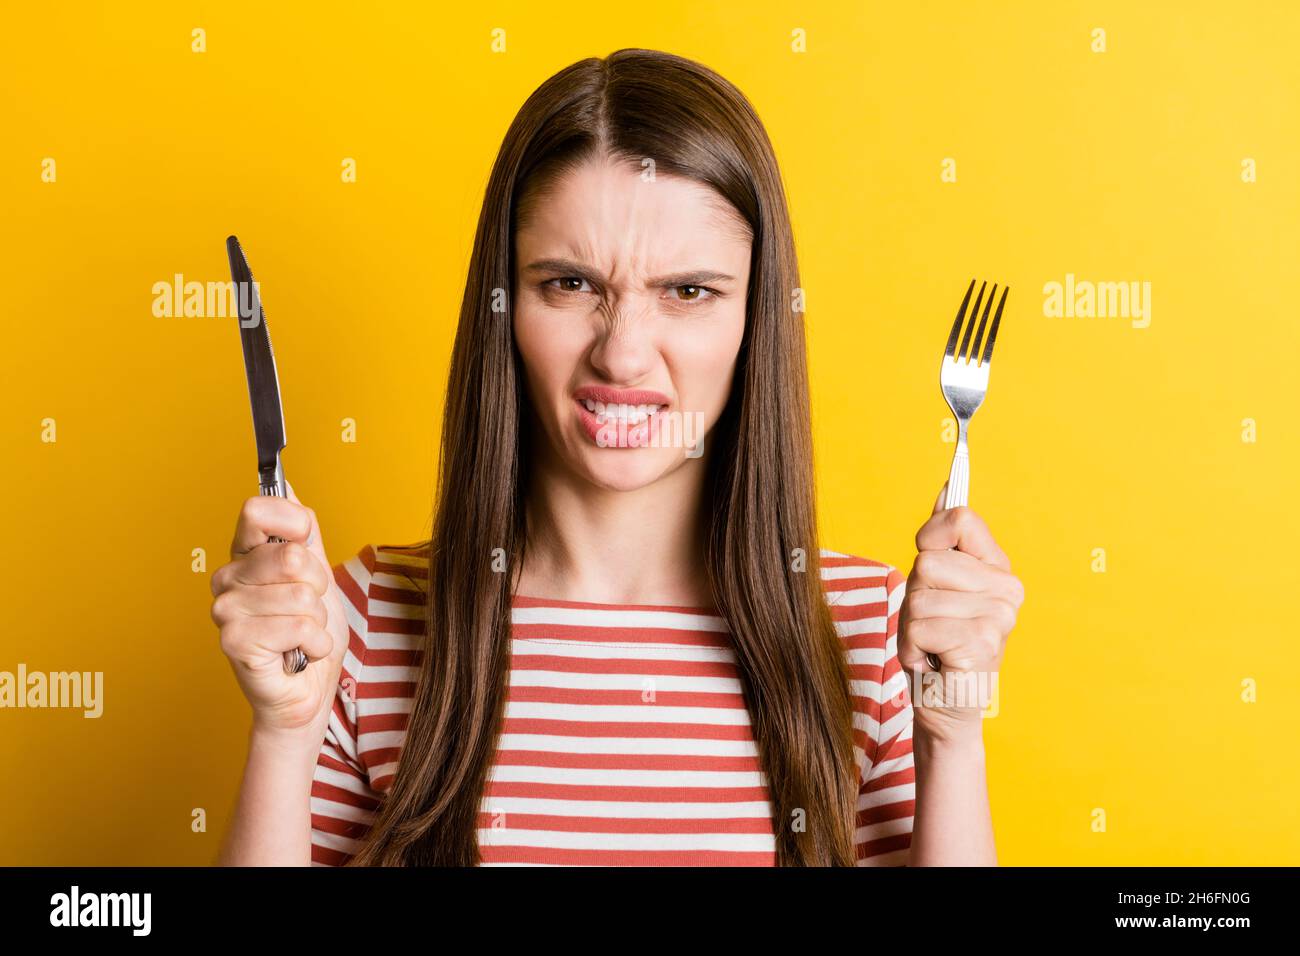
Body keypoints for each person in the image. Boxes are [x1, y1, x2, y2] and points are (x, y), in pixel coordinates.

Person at [210, 48, 1024, 867]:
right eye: (569, 284)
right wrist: (285, 736)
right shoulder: (354, 627)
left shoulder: (880, 636)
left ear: (756, 318)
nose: (623, 355)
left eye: (688, 291)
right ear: (503, 307)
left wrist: (951, 737)